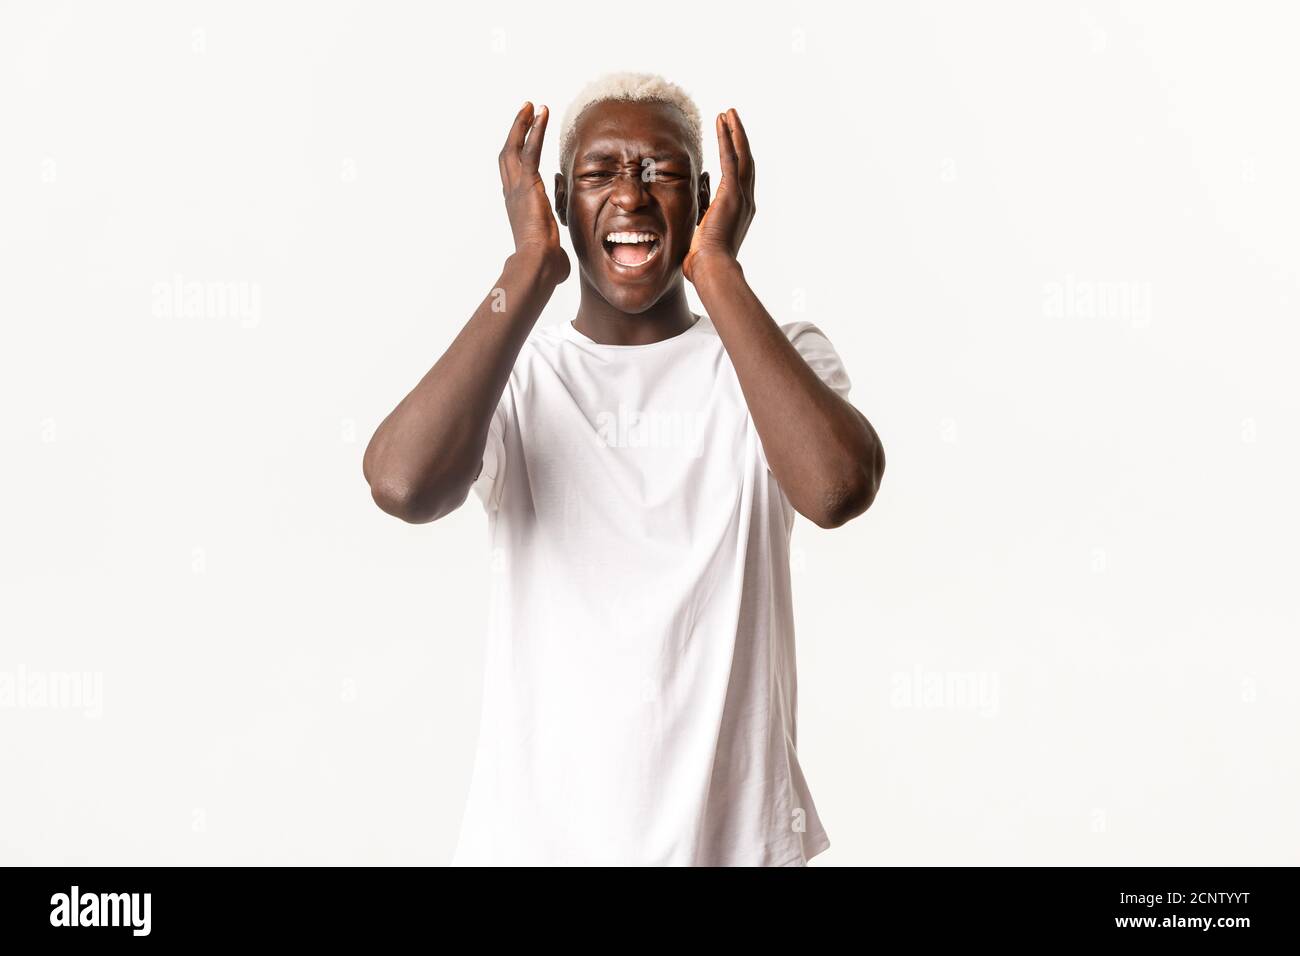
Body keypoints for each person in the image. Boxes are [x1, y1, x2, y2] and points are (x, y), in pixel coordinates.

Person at [363, 72, 885, 866]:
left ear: (709, 196)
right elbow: (402, 484)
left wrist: (716, 267)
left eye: (664, 173)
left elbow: (837, 488)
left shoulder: (777, 360)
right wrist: (528, 266)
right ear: (562, 197)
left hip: (733, 847)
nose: (633, 197)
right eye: (603, 173)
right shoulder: (516, 377)